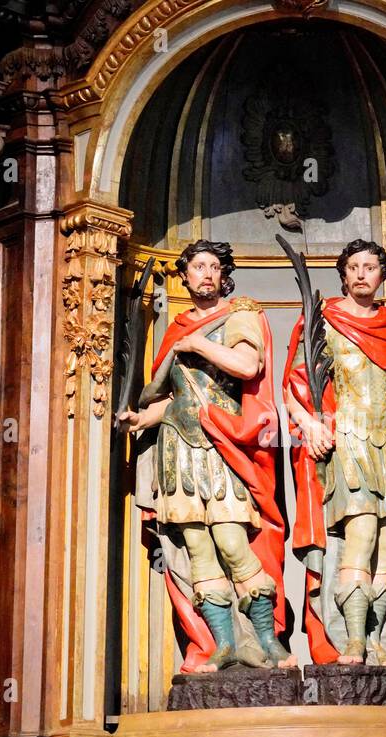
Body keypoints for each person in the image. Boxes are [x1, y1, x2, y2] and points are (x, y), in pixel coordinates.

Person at [119, 240, 293, 672]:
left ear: (224, 274)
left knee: (234, 544)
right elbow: (174, 397)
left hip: (224, 443)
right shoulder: (177, 328)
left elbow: (247, 367)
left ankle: (267, 643)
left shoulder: (241, 314)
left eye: (215, 266)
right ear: (185, 275)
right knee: (197, 548)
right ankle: (224, 646)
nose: (207, 274)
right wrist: (141, 420)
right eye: (198, 266)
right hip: (178, 447)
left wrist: (197, 344)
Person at [283, 238, 386, 668]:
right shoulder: (324, 321)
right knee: (361, 534)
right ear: (343, 274)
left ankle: (378, 641)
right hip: (351, 440)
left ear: (382, 274)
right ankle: (352, 642)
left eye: (370, 266)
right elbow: (294, 386)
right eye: (353, 266)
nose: (361, 273)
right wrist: (311, 423)